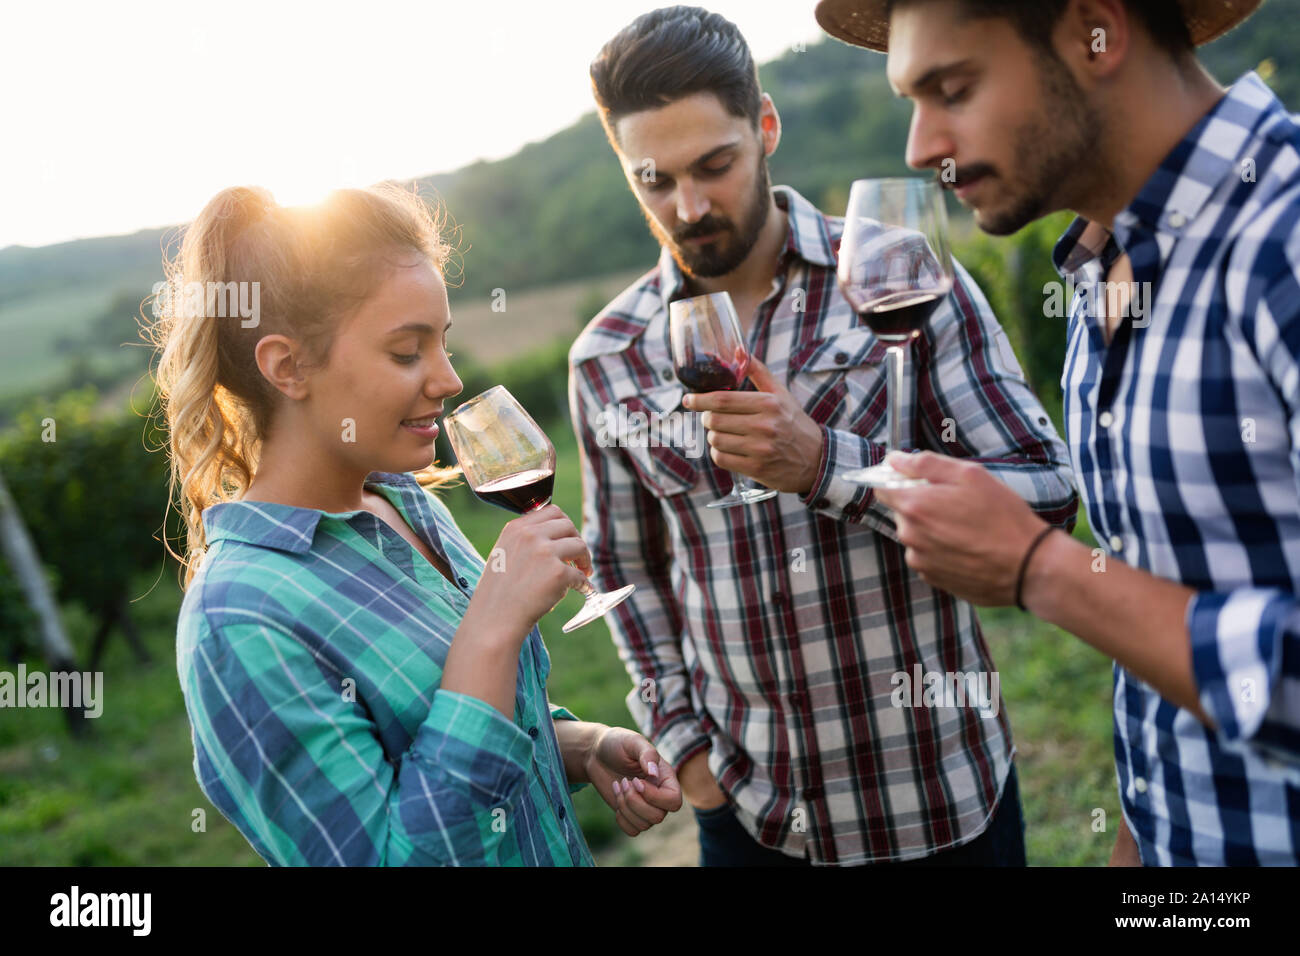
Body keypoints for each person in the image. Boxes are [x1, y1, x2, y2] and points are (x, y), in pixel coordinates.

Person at [570, 5, 1078, 866]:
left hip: (939, 801)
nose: (688, 206)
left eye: (716, 165)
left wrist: (826, 467)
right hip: (752, 822)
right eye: (654, 179)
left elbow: (1048, 495)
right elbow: (624, 569)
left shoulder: (904, 276)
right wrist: (689, 756)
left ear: (765, 126)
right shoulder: (607, 359)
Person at [815, 0, 1300, 864]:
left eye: (952, 88)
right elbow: (1166, 606)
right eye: (911, 101)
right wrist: (1141, 840)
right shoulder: (1100, 266)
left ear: (1092, 31)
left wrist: (1042, 571)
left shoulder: (1285, 241)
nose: (920, 148)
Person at [150, 183, 681, 866]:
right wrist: (492, 628)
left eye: (443, 343)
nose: (449, 379)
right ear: (288, 367)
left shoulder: (406, 503)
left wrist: (581, 748)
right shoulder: (240, 621)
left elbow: (456, 729)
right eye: (407, 352)